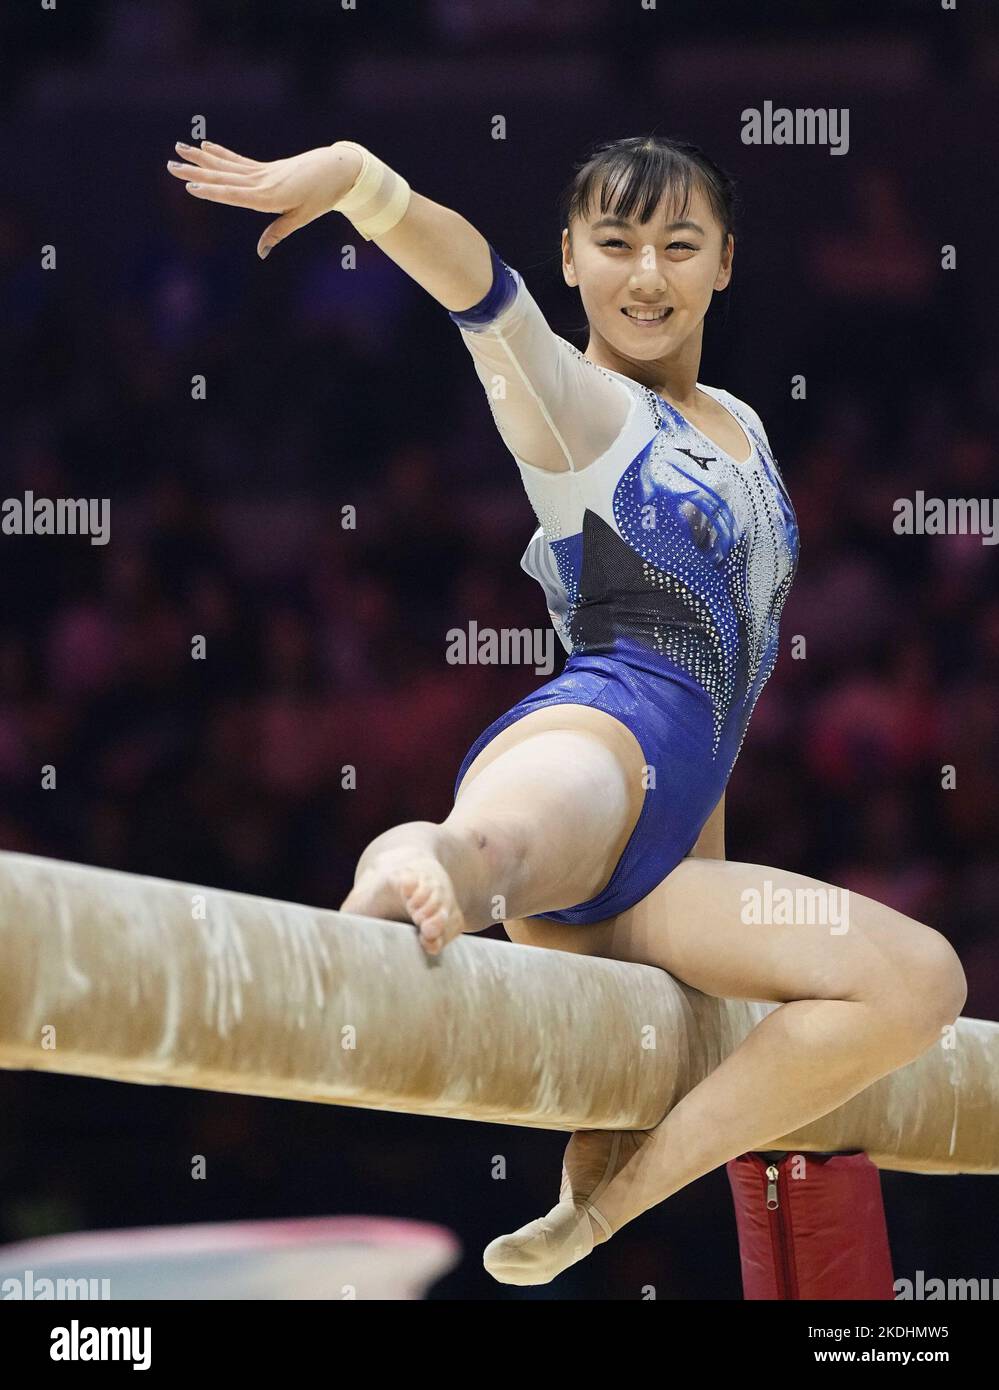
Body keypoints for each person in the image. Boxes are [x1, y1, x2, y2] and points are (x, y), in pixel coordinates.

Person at [166, 134, 968, 1286]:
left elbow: (734, 703)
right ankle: (418, 863)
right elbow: (480, 292)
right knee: (494, 848)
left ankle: (609, 1208)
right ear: (573, 261)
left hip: (660, 865)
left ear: (726, 263)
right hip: (600, 740)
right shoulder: (578, 410)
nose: (647, 274)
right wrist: (362, 183)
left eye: (678, 246)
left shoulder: (744, 425)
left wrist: (705, 965)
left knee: (922, 979)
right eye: (616, 244)